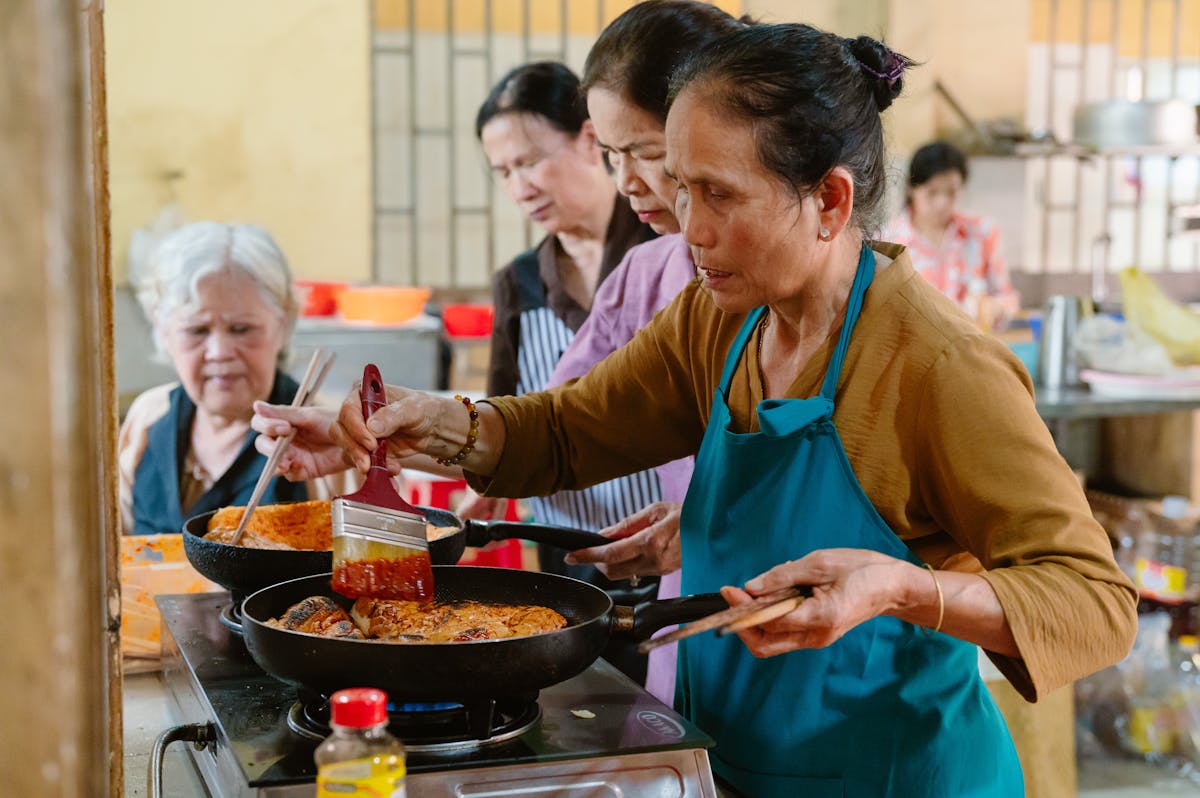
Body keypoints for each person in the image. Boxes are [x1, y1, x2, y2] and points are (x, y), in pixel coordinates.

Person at [312, 24, 1136, 796]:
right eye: (679, 185)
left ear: (831, 202)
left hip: (891, 777)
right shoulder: (725, 318)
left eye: (719, 195)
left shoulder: (938, 364)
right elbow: (571, 428)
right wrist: (441, 423)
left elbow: (1094, 601)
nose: (689, 230)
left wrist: (903, 589)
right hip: (729, 765)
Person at [549, 0, 743, 704]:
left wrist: (716, 532)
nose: (626, 182)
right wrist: (444, 433)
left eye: (648, 155)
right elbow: (561, 416)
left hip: (823, 655)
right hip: (687, 629)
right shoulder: (647, 274)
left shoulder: (838, 303)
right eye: (610, 156)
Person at [118, 221, 333, 535]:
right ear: (164, 332)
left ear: (282, 325)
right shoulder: (148, 418)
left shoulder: (324, 440)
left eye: (241, 329)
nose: (219, 352)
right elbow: (116, 556)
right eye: (197, 330)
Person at [883, 140, 1020, 329]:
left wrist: (997, 307)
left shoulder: (982, 233)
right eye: (932, 193)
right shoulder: (886, 241)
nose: (942, 203)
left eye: (951, 193)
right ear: (911, 188)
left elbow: (1007, 297)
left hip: (970, 348)